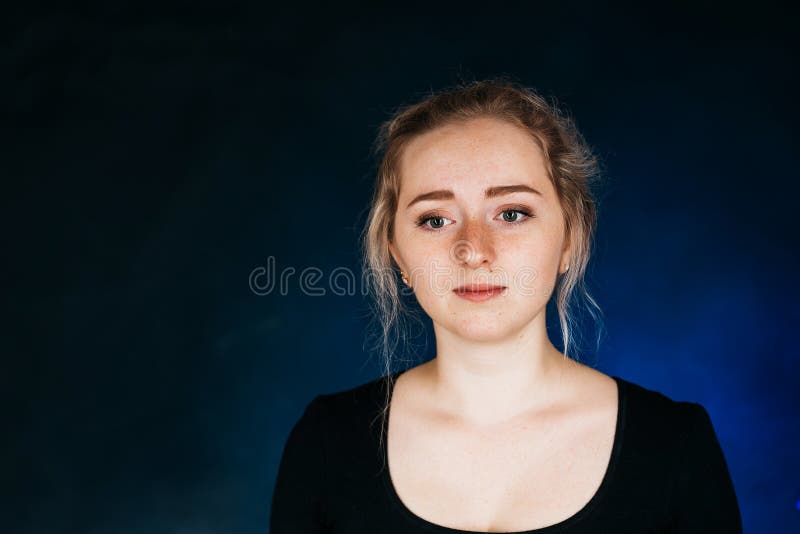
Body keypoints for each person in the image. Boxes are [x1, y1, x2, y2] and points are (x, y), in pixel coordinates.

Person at [269, 78, 743, 533]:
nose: (473, 249)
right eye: (435, 219)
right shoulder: (327, 441)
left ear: (569, 239)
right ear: (398, 254)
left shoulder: (676, 446)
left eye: (512, 214)